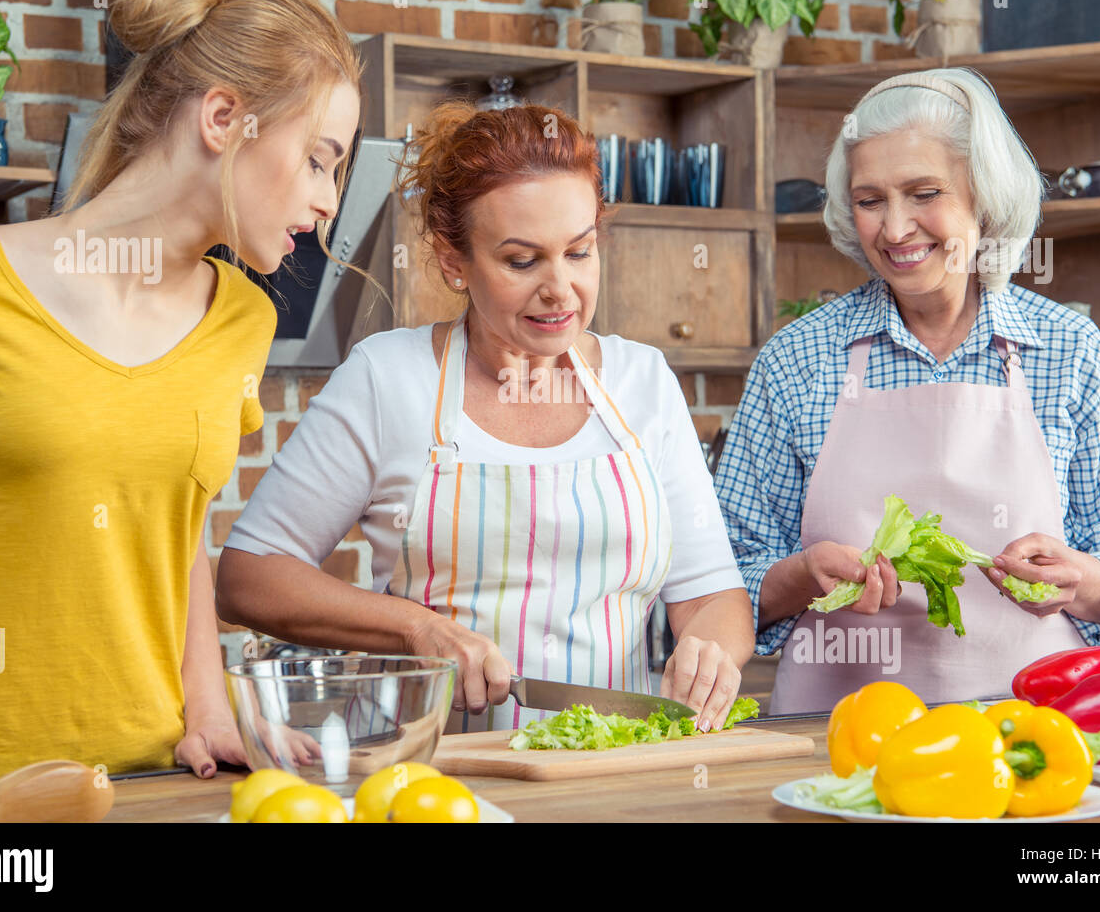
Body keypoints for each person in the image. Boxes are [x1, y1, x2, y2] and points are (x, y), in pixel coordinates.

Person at [0, 0, 361, 802]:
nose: (330, 199)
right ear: (224, 117)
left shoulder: (241, 322)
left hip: (155, 784)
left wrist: (209, 704)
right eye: (319, 160)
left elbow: (175, 527)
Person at [216, 102, 755, 733]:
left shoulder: (645, 384)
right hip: (428, 770)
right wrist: (417, 627)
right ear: (454, 260)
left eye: (579, 252)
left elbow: (713, 595)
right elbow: (248, 578)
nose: (560, 289)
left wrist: (710, 652)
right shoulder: (389, 379)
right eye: (522, 261)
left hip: (611, 770)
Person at [714, 69, 1100, 715]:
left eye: (923, 192)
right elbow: (717, 583)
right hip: (833, 745)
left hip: (1030, 740)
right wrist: (797, 577)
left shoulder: (1069, 352)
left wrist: (1083, 581)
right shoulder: (797, 361)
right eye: (870, 199)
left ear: (983, 198)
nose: (896, 227)